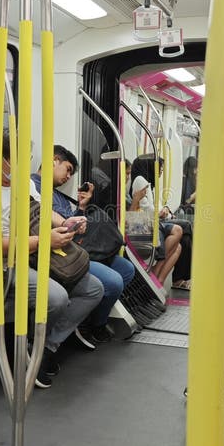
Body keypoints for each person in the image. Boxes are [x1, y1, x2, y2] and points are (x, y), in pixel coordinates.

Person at [0, 132, 104, 387]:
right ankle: (33, 348)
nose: (18, 167)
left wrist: (67, 223)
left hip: (35, 251)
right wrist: (43, 241)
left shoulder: (23, 183)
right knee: (57, 297)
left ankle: (44, 347)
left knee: (94, 289)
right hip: (7, 261)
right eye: (11, 161)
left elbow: (43, 210)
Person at [52, 144, 135, 345]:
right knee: (114, 281)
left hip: (77, 243)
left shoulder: (60, 194)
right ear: (54, 161)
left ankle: (90, 319)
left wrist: (81, 207)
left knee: (126, 269)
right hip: (63, 251)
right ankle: (91, 325)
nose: (69, 178)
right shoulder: (36, 190)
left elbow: (74, 224)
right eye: (68, 170)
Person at [129, 153, 183, 284]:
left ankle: (159, 281)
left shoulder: (148, 183)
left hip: (151, 220)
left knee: (179, 247)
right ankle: (154, 276)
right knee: (179, 230)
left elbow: (154, 206)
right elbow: (147, 210)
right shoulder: (141, 181)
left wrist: (164, 211)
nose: (161, 171)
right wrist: (162, 213)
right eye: (159, 167)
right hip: (143, 223)